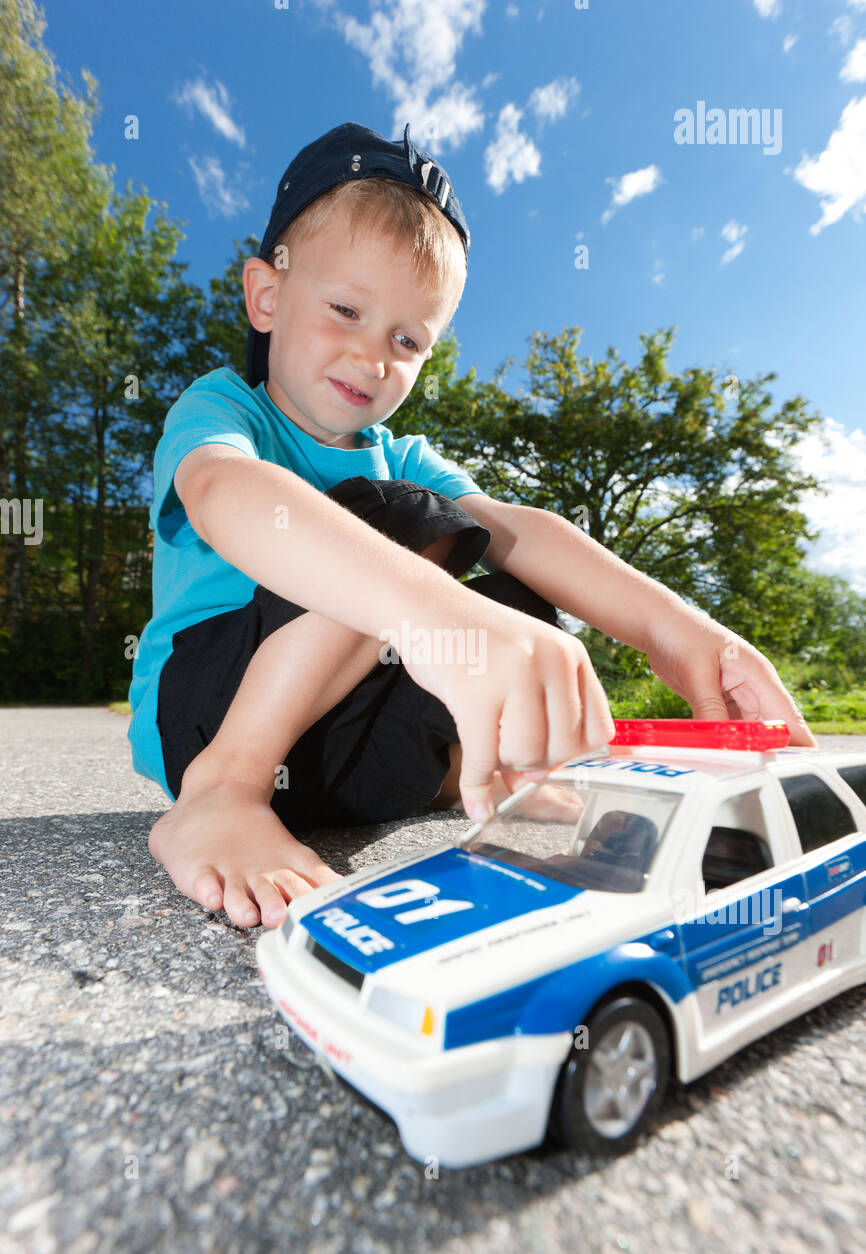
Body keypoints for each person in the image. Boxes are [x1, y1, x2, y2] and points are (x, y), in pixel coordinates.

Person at [127, 121, 814, 931]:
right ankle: (224, 795)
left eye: (408, 339)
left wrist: (680, 633)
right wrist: (430, 608)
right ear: (266, 296)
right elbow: (223, 492)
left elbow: (520, 530)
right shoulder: (225, 409)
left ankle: (506, 772)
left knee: (518, 599)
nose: (374, 357)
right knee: (407, 523)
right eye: (346, 308)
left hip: (336, 760)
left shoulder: (399, 452)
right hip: (210, 714)